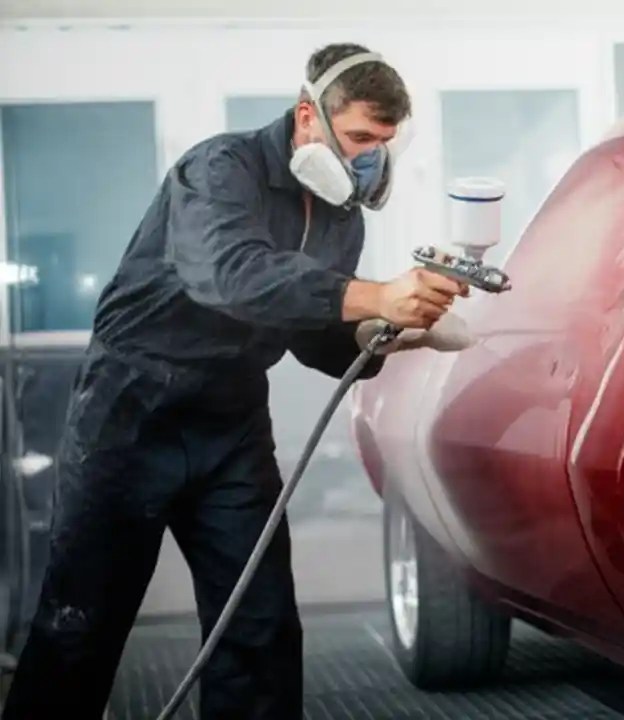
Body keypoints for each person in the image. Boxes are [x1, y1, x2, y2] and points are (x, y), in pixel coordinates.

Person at [1, 42, 465, 719]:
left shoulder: (341, 215)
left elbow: (310, 330)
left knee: (258, 625)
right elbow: (228, 274)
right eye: (360, 138)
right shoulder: (220, 168)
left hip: (231, 423)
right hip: (130, 412)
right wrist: (374, 295)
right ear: (307, 117)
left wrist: (385, 331)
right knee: (81, 622)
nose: (370, 159)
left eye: (383, 144)